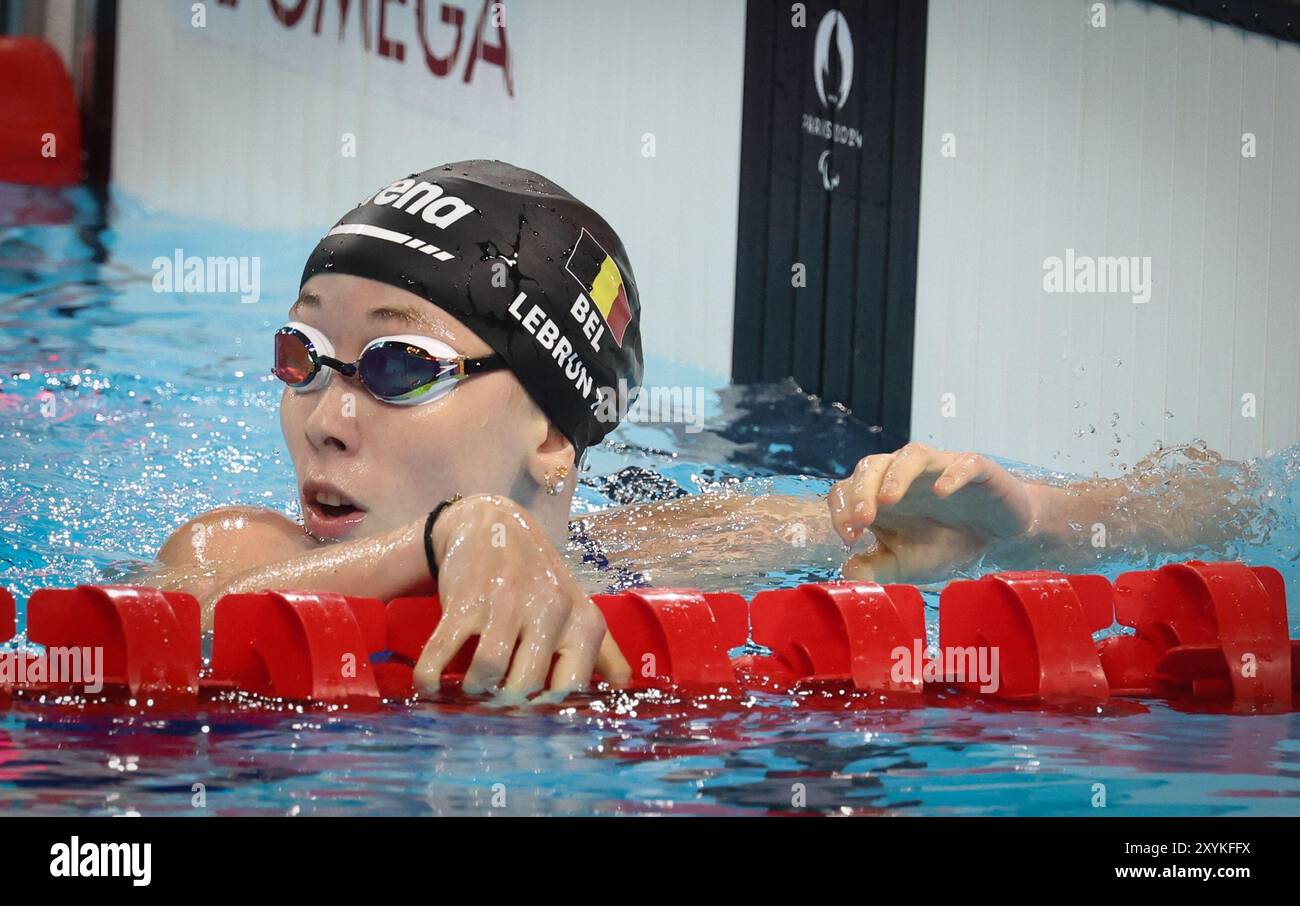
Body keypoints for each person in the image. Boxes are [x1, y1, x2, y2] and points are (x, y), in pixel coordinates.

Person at [148, 159, 1252, 701]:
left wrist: (1022, 518)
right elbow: (190, 628)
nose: (323, 423)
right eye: (304, 356)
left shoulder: (664, 553)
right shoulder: (237, 551)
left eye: (397, 367)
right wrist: (451, 532)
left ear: (554, 435)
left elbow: (1225, 506)